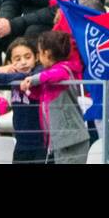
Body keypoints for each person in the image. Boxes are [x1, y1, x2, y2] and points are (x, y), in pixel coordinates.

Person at [19, 29, 91, 164]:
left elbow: (56, 74)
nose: (39, 57)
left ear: (47, 54)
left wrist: (33, 79)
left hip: (72, 138)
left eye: (39, 53)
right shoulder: (48, 77)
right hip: (60, 138)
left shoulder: (65, 69)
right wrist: (28, 90)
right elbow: (40, 95)